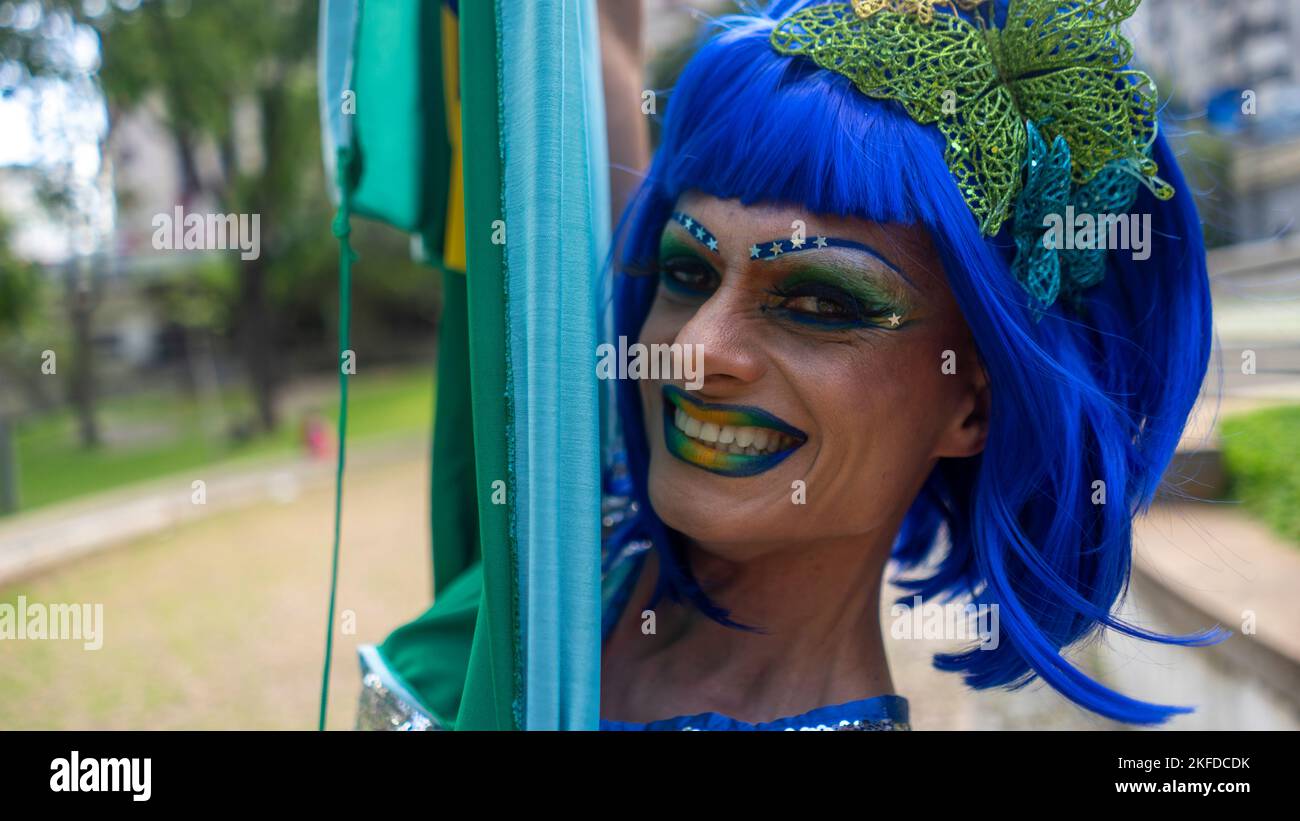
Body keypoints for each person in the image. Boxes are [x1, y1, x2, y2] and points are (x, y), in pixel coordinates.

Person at [596, 0, 1220, 730]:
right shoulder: (566, 517)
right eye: (689, 272)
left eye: (822, 305)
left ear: (975, 407)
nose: (695, 350)